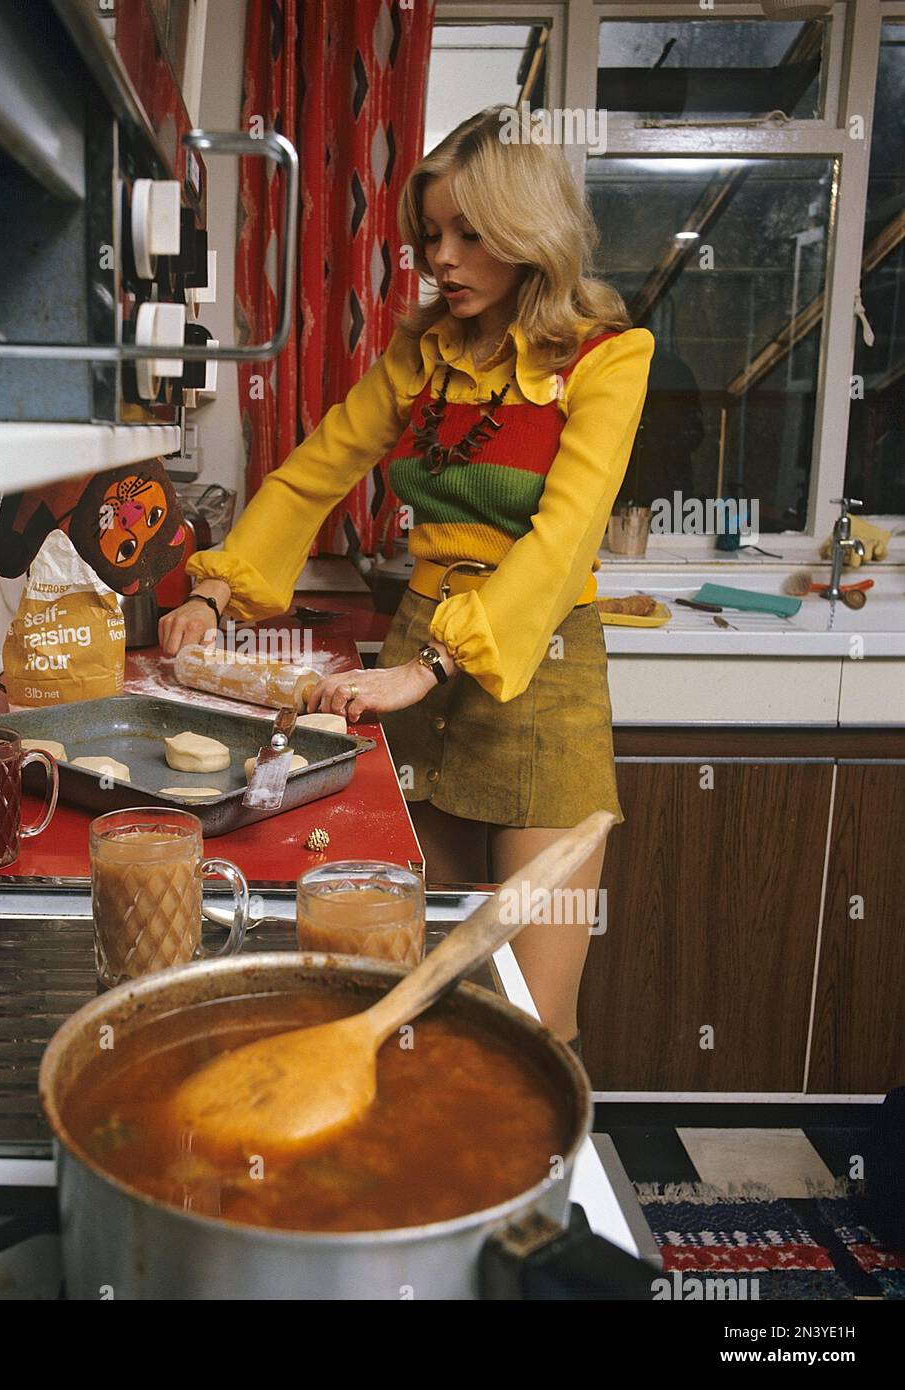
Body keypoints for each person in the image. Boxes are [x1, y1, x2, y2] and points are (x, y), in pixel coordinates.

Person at [159, 106, 655, 1049]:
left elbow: (562, 538)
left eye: (470, 234)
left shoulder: (604, 358)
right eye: (430, 235)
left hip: (535, 669)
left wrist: (427, 667)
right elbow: (313, 472)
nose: (443, 258)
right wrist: (214, 590)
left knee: (532, 1013)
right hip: (414, 656)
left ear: (528, 232)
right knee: (427, 982)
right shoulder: (421, 354)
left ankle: (527, 1195)